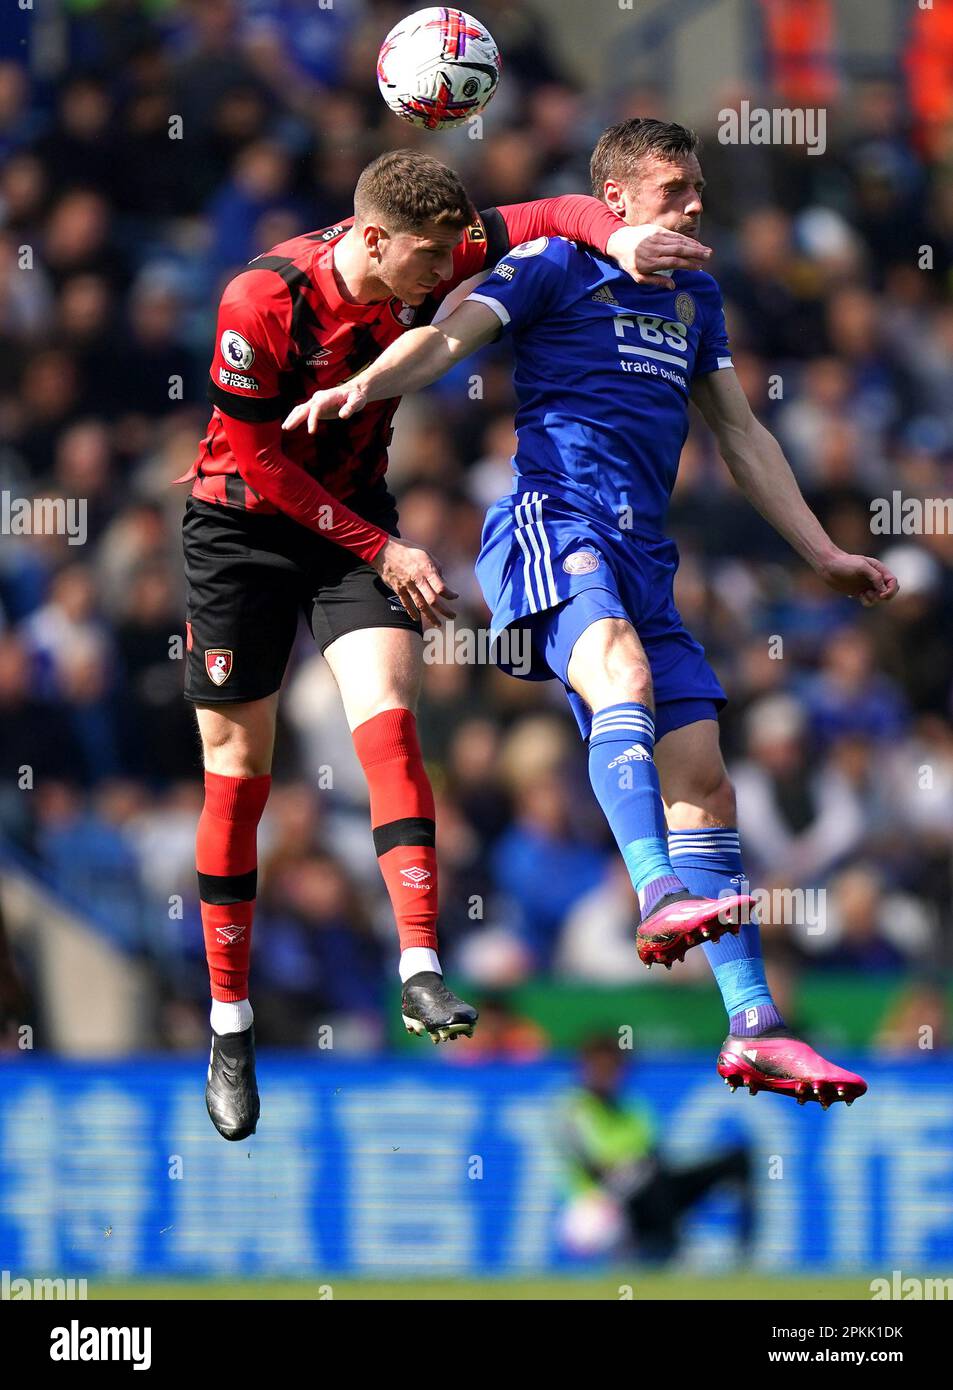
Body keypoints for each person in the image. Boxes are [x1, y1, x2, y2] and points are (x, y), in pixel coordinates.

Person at [285, 120, 900, 1107]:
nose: (694, 202)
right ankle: (657, 892)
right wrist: (364, 384)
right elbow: (448, 337)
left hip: (644, 558)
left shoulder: (694, 295)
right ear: (612, 198)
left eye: (698, 186)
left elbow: (739, 433)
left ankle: (751, 1024)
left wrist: (820, 552)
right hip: (550, 523)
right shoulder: (549, 263)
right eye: (673, 187)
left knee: (703, 779)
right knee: (619, 671)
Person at [180, 146, 712, 1140]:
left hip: (355, 515)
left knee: (388, 718)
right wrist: (383, 548)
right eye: (429, 263)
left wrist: (621, 233)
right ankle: (229, 1020)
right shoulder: (258, 302)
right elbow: (255, 460)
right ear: (371, 241)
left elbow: (556, 208)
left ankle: (419, 964)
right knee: (236, 768)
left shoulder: (437, 247)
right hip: (241, 527)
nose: (445, 278)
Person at [557, 1036, 753, 1263]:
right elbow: (597, 1169)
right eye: (599, 1068)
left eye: (612, 1068)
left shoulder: (634, 1108)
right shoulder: (574, 1109)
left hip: (641, 1195)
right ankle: (664, 1250)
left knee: (733, 1160)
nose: (606, 1075)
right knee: (642, 1183)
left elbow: (654, 1155)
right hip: (594, 1202)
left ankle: (738, 1252)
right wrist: (637, 1166)